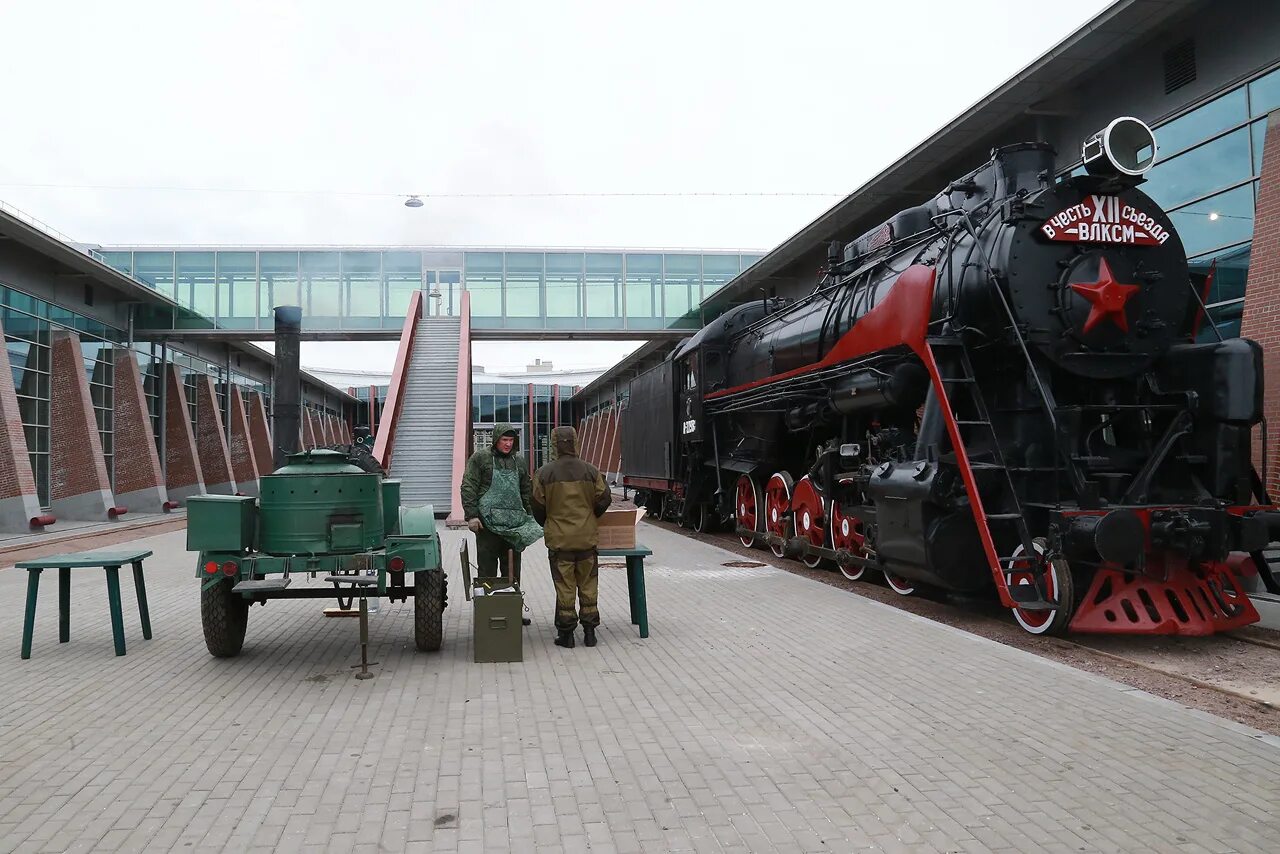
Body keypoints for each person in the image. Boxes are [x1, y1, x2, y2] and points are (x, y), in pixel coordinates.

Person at [532, 426, 611, 648]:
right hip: (586, 539)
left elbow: (537, 505)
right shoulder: (591, 471)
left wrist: (549, 522)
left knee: (564, 586)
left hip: (560, 540)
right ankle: (590, 633)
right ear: (576, 443)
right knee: (588, 584)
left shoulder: (544, 473)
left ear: (555, 444)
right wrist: (590, 516)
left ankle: (566, 636)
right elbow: (604, 498)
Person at [460, 424, 536, 625]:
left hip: (513, 527)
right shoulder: (481, 459)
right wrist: (472, 516)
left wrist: (529, 516)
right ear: (496, 440)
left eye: (511, 441)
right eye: (504, 440)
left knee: (513, 571)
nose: (508, 444)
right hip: (487, 526)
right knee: (487, 571)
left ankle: (512, 612)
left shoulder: (518, 461)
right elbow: (468, 485)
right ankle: (485, 613)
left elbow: (525, 490)